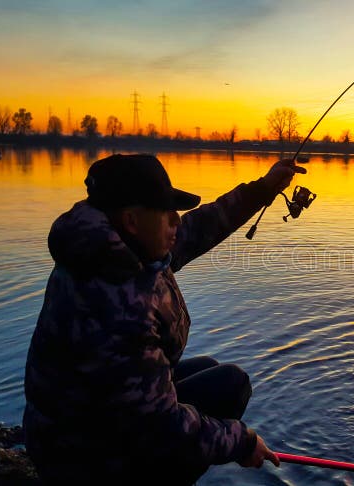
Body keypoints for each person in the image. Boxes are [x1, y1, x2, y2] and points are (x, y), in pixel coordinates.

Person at [23, 153, 306, 485]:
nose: (176, 220)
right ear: (132, 219)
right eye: (165, 211)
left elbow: (199, 228)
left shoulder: (111, 248)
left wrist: (264, 189)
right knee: (231, 386)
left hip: (80, 424)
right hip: (83, 460)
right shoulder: (120, 306)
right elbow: (162, 428)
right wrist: (242, 442)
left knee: (211, 370)